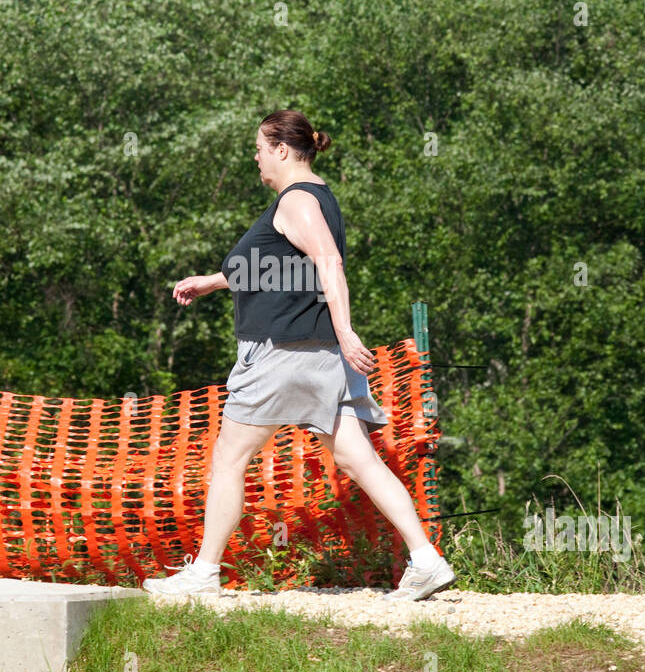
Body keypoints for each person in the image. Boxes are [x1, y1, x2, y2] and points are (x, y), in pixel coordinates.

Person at [142, 110, 455, 602]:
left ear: (282, 151)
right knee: (359, 460)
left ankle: (203, 573)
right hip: (318, 357)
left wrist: (348, 331)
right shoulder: (317, 198)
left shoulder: (296, 201)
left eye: (260, 149)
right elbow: (274, 265)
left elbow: (329, 262)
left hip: (281, 355)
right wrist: (213, 281)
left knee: (228, 457)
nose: (256, 157)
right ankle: (426, 560)